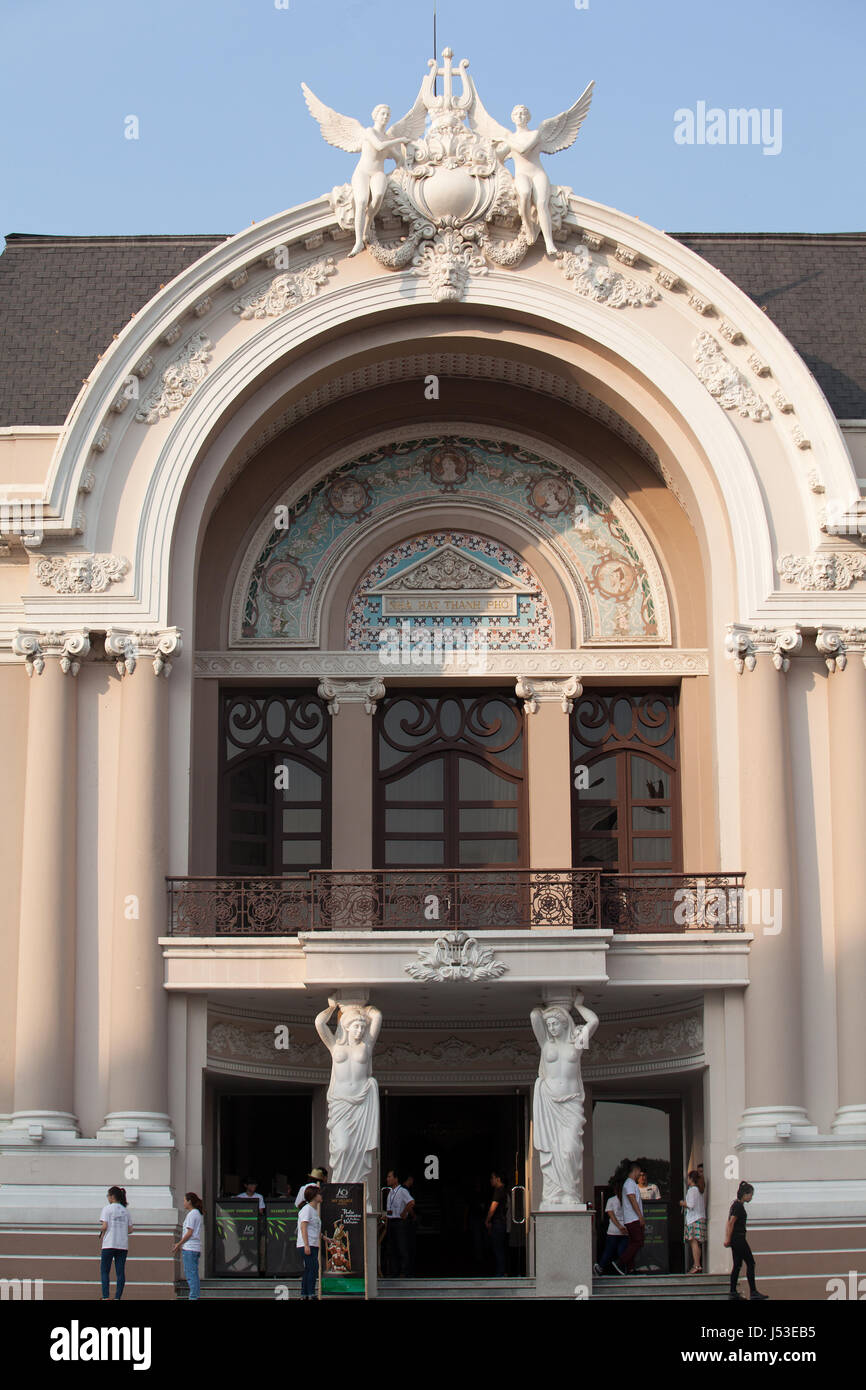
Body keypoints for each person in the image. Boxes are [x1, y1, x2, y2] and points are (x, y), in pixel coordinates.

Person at [725, 1181, 768, 1300]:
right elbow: (731, 1223)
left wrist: (728, 1238)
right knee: (750, 1262)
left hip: (736, 1238)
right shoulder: (738, 1206)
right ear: (745, 1194)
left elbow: (728, 1222)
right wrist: (727, 1239)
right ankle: (753, 1292)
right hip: (738, 1238)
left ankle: (733, 1292)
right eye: (751, 1195)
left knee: (737, 1264)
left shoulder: (735, 1205)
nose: (751, 1197)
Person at [98, 1186, 132, 1300]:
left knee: (105, 1271)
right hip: (122, 1245)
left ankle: (106, 1296)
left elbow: (104, 1226)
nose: (107, 1198)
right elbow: (130, 1229)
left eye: (108, 1196)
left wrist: (100, 1232)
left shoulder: (107, 1209)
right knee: (120, 1272)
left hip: (109, 1243)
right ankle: (117, 1297)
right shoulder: (125, 1211)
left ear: (112, 1196)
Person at [593, 1174, 628, 1276]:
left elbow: (611, 1216)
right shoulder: (629, 1201)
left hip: (613, 1231)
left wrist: (619, 1227)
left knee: (608, 1251)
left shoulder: (611, 1200)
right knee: (622, 1251)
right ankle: (622, 1268)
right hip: (626, 1231)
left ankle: (600, 1268)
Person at [614, 1160, 644, 1274]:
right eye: (639, 1172)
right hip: (633, 1219)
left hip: (631, 1218)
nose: (639, 1175)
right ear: (635, 1171)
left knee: (633, 1243)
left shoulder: (629, 1184)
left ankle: (630, 1268)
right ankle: (620, 1262)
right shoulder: (630, 1183)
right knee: (638, 1242)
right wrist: (640, 1216)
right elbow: (632, 1199)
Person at [172, 1193, 204, 1301]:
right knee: (192, 1273)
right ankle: (195, 1295)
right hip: (193, 1248)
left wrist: (179, 1243)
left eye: (185, 1200)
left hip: (190, 1248)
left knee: (191, 1274)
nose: (183, 1203)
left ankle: (193, 1297)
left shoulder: (192, 1214)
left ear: (189, 1201)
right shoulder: (197, 1214)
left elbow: (190, 1232)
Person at [384, 1169, 414, 1276]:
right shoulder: (390, 1192)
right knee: (392, 1247)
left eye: (389, 1177)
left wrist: (404, 1212)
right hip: (391, 1221)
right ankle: (394, 1271)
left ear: (396, 1179)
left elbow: (411, 1202)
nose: (387, 1179)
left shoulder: (402, 1191)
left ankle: (404, 1271)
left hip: (399, 1222)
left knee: (402, 1247)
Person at [297, 1184, 323, 1300]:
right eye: (319, 1194)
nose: (321, 1196)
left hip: (313, 1243)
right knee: (313, 1267)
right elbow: (303, 1227)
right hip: (307, 1244)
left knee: (309, 1268)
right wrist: (306, 1245)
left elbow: (314, 1229)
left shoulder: (313, 1210)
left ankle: (305, 1294)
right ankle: (310, 1293)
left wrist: (324, 1238)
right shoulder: (307, 1209)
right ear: (314, 1196)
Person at [680, 1170, 706, 1273]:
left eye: (688, 1178)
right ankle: (697, 1264)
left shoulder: (691, 1190)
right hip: (700, 1218)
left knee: (693, 1242)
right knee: (697, 1243)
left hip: (693, 1219)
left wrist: (682, 1203)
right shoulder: (699, 1190)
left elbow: (690, 1205)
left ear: (691, 1179)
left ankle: (697, 1265)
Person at [485, 1169, 509, 1277]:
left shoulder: (499, 1191)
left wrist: (487, 1220)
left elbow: (493, 1207)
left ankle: (500, 1272)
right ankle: (503, 1271)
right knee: (500, 1247)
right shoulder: (505, 1190)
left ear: (498, 1179)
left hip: (498, 1223)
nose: (491, 1180)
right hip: (502, 1222)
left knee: (497, 1248)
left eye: (492, 1178)